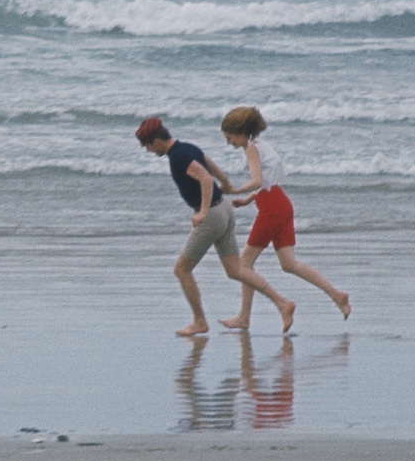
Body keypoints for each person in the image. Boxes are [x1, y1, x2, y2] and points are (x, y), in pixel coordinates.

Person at [135, 116, 294, 338]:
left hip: (211, 216)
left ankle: (199, 321)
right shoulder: (186, 147)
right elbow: (210, 166)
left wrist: (201, 211)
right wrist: (226, 183)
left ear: (155, 141)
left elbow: (205, 179)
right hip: (225, 210)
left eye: (148, 146)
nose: (149, 151)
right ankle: (282, 303)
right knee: (236, 270)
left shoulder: (178, 157)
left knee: (181, 270)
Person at [217, 106, 350, 330]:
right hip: (282, 204)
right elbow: (268, 183)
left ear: (240, 132)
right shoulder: (262, 145)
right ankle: (337, 296)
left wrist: (234, 190)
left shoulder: (251, 149)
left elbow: (258, 181)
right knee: (289, 264)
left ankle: (254, 314)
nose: (228, 142)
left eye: (229, 138)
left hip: (272, 210)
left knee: (243, 264)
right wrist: (248, 200)